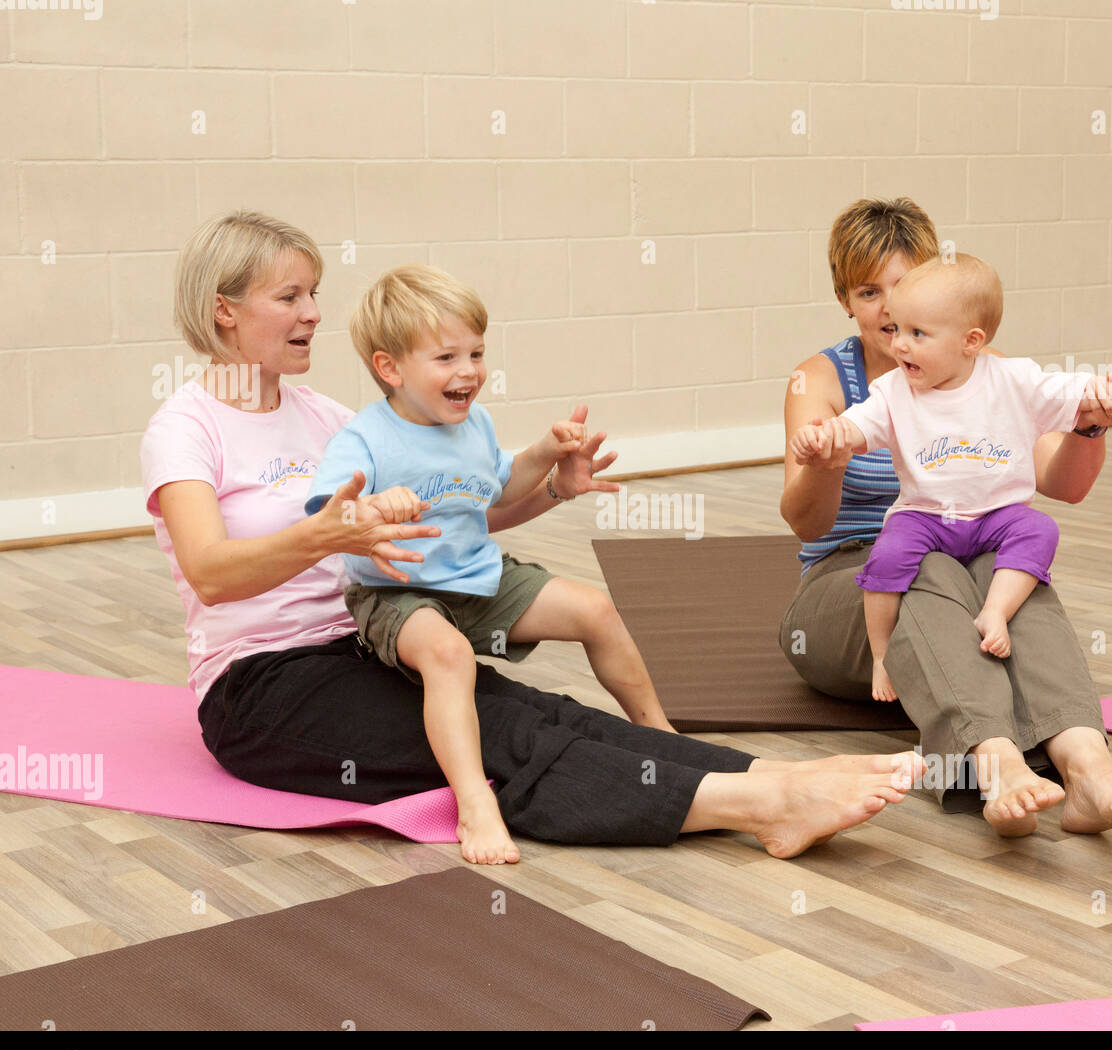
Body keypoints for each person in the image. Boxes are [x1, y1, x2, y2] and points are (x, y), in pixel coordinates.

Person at [141, 209, 921, 865]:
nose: (314, 312)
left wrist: (550, 488)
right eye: (291, 296)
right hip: (261, 686)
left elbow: (451, 524)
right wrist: (324, 534)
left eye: (314, 293)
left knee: (544, 709)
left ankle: (760, 772)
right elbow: (210, 573)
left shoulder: (326, 417)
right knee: (508, 734)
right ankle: (765, 803)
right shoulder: (186, 426)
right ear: (225, 310)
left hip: (362, 643)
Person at [780, 197, 1112, 837]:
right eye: (868, 291)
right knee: (928, 564)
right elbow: (807, 525)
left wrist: (1092, 424)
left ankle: (1089, 767)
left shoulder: (983, 372)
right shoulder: (824, 380)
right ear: (845, 299)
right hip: (852, 582)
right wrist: (828, 455)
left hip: (963, 565)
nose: (887, 309)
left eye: (904, 287)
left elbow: (1060, 487)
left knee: (1018, 575)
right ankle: (993, 763)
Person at [305, 264, 677, 865]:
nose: (470, 372)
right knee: (449, 656)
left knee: (596, 609)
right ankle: (475, 806)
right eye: (447, 357)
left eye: (476, 353)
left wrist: (548, 454)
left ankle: (659, 734)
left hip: (476, 576)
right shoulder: (364, 438)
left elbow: (501, 490)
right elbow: (326, 513)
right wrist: (370, 507)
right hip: (398, 594)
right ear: (390, 368)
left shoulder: (473, 423)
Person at [790, 253, 1112, 704]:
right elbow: (851, 430)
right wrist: (825, 445)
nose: (893, 322)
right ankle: (897, 666)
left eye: (914, 323)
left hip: (983, 528)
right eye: (869, 293)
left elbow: (1075, 398)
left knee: (1034, 545)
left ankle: (1064, 724)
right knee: (919, 565)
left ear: (969, 338)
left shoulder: (1003, 376)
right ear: (844, 299)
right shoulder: (878, 390)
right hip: (901, 536)